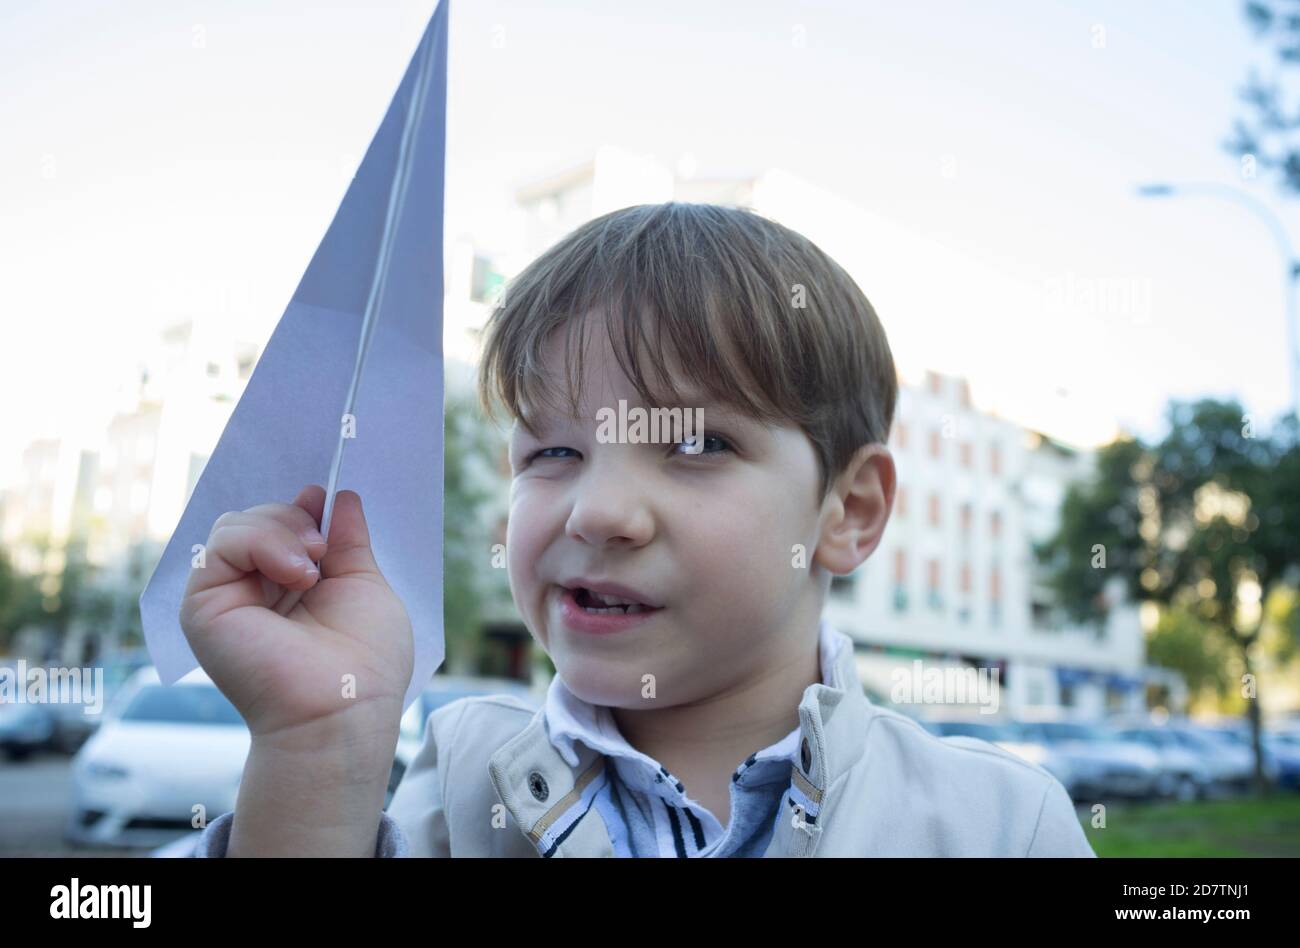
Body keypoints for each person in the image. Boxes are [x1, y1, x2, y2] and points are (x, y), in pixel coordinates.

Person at [184, 202, 1095, 857]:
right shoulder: (461, 796)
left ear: (846, 512)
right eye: (551, 453)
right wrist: (314, 747)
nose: (597, 511)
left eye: (694, 442)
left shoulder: (999, 827)